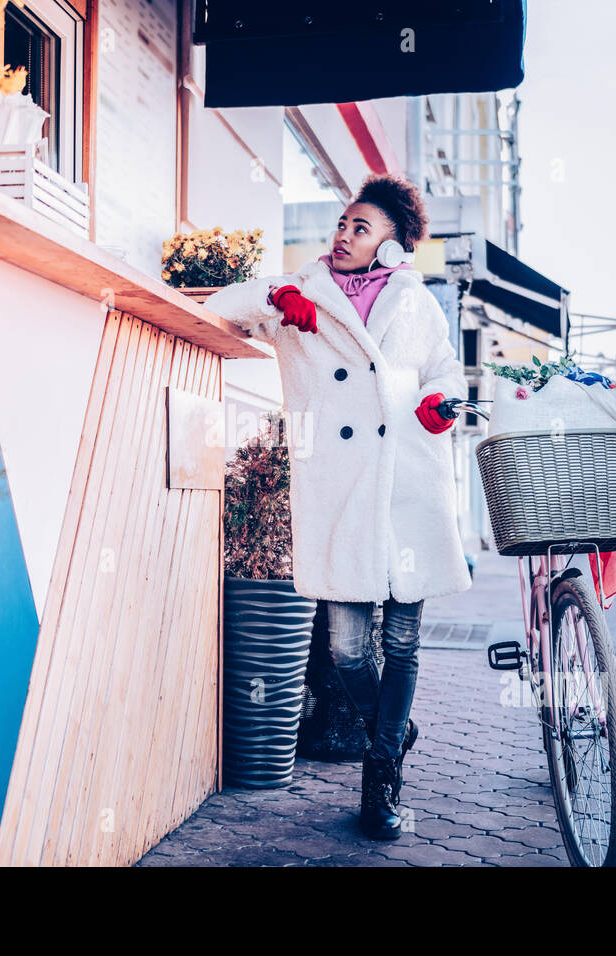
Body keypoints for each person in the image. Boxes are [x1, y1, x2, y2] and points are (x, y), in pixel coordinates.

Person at [204, 173, 471, 840]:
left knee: (403, 646)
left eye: (361, 227)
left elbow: (445, 369)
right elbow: (224, 304)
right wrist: (275, 294)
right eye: (343, 223)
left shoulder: (416, 303)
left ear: (391, 246)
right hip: (344, 490)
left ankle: (380, 785)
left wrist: (443, 404)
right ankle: (395, 728)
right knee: (349, 651)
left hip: (408, 484)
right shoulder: (306, 291)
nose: (343, 234)